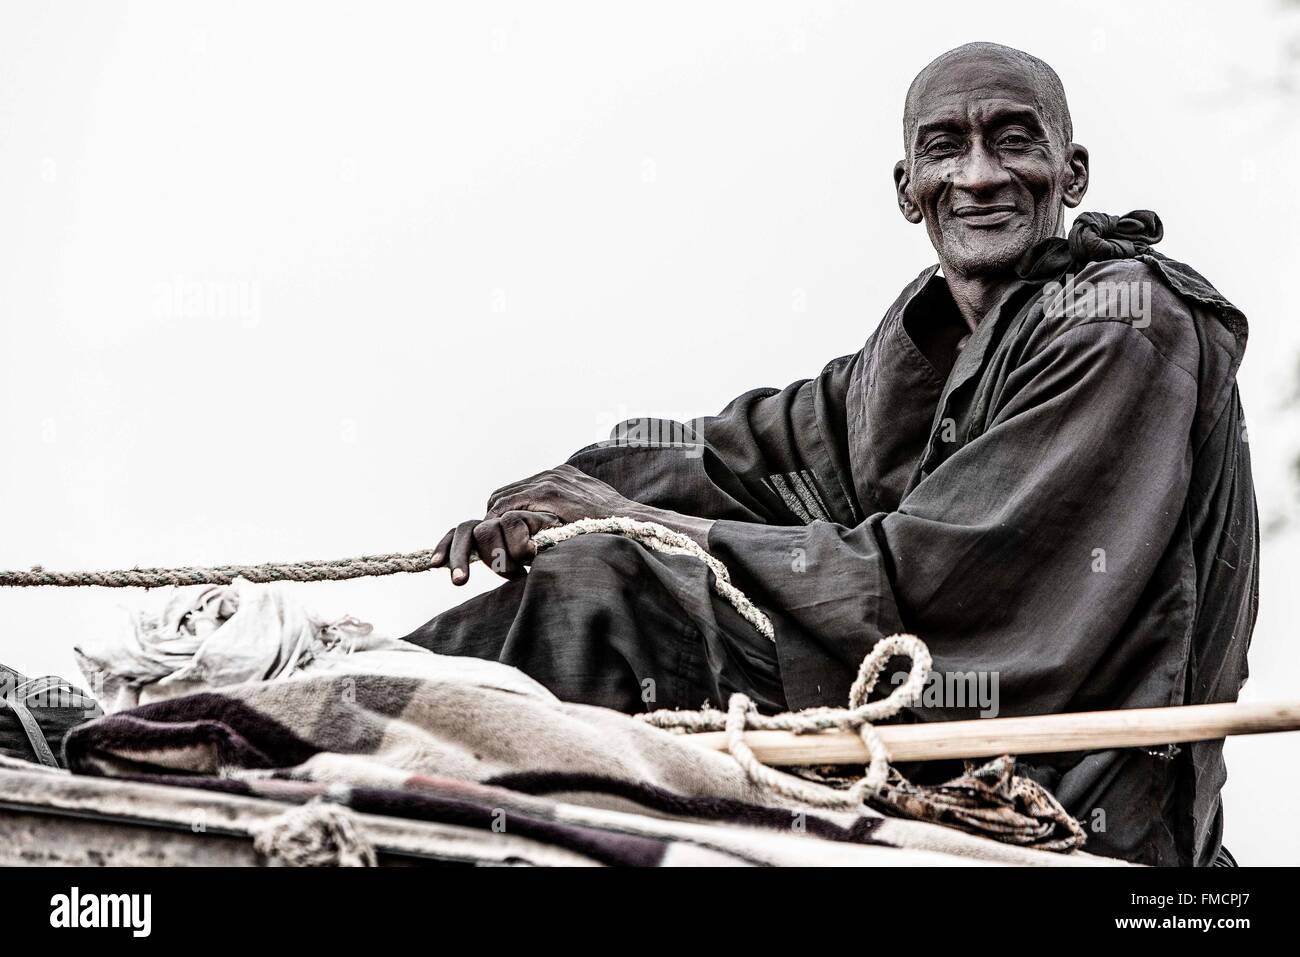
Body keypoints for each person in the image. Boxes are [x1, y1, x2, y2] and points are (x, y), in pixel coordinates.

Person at [404, 42, 1257, 866]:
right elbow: (742, 452)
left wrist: (630, 524)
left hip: (1070, 792)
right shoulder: (923, 349)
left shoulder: (1119, 321)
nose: (981, 173)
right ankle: (356, 688)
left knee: (606, 585)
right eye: (945, 147)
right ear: (907, 188)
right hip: (920, 739)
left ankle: (399, 761)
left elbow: (934, 578)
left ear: (1071, 173)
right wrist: (566, 490)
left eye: (1012, 140)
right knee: (585, 559)